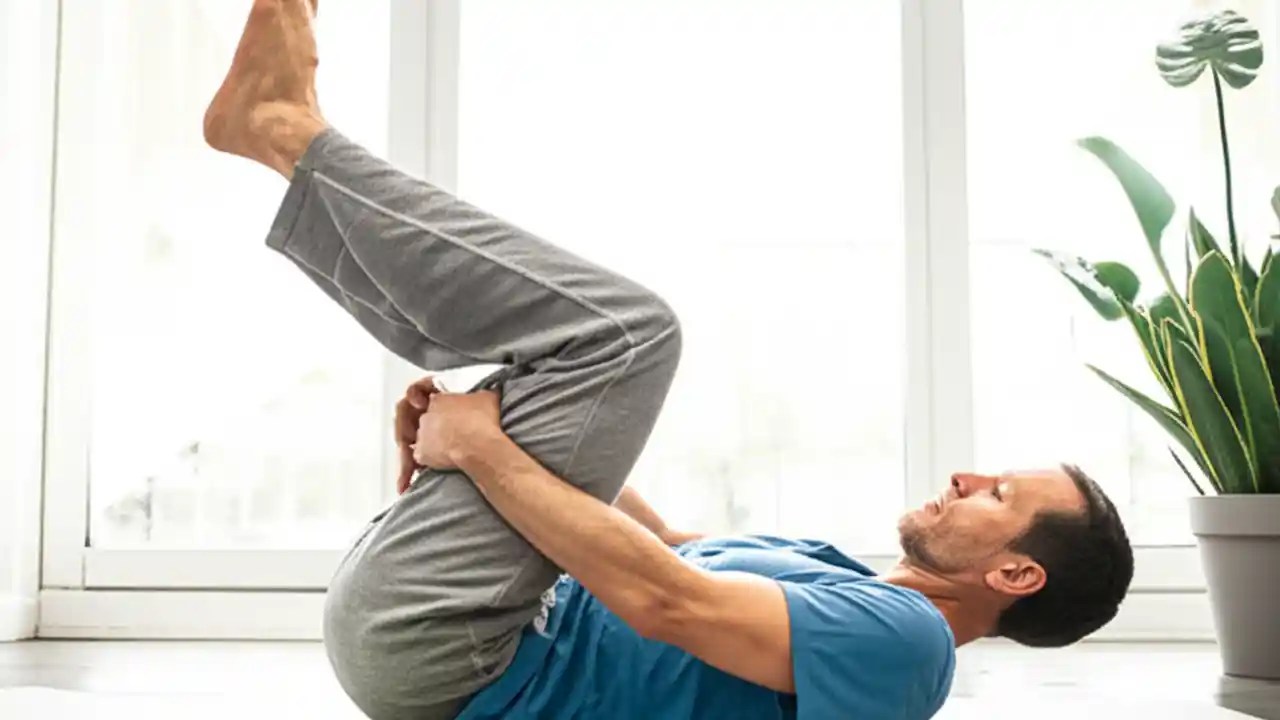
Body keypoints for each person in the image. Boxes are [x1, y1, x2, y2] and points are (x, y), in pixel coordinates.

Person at [203, 2, 1134, 718]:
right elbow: (666, 550)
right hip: (462, 625)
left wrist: (487, 451)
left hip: (464, 657)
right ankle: (286, 142)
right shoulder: (845, 582)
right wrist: (505, 416)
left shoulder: (909, 646)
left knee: (630, 335)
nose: (966, 476)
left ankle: (285, 129)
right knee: (577, 359)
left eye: (998, 496)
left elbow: (664, 601)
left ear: (1016, 576)